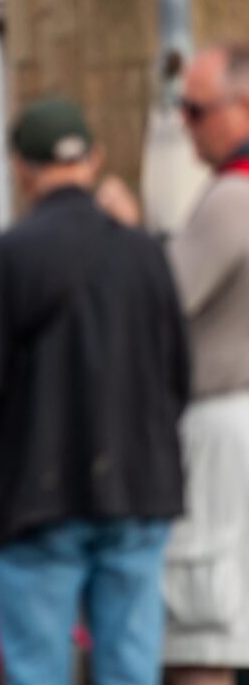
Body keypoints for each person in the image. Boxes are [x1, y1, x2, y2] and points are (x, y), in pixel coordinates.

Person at [0, 98, 190, 685]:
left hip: (36, 494)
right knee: (131, 668)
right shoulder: (145, 254)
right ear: (95, 159)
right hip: (136, 490)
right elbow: (178, 376)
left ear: (20, 168)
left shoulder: (0, 260)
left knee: (37, 670)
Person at [157, 45, 249, 685]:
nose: (184, 124)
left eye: (195, 110)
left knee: (203, 633)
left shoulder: (232, 198)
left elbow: (158, 305)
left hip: (223, 425)